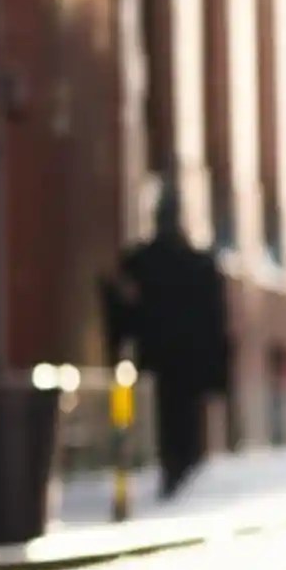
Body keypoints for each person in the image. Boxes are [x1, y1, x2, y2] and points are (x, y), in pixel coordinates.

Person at [103, 178, 230, 500]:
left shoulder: (147, 260)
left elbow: (123, 305)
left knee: (170, 411)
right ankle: (178, 463)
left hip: (162, 352)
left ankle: (175, 464)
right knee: (179, 412)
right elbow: (216, 319)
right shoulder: (196, 263)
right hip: (182, 355)